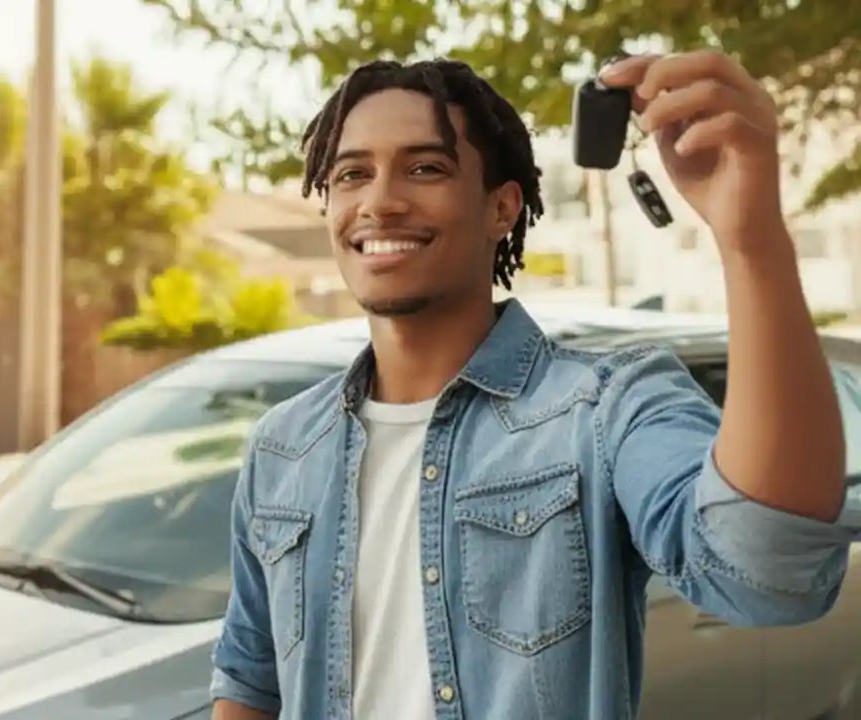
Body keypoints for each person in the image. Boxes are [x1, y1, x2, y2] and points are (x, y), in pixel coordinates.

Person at [208, 51, 861, 720]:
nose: (380, 201)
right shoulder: (283, 446)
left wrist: (750, 239)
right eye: (352, 175)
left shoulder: (605, 409)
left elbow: (767, 574)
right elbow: (250, 679)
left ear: (502, 207)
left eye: (425, 167)